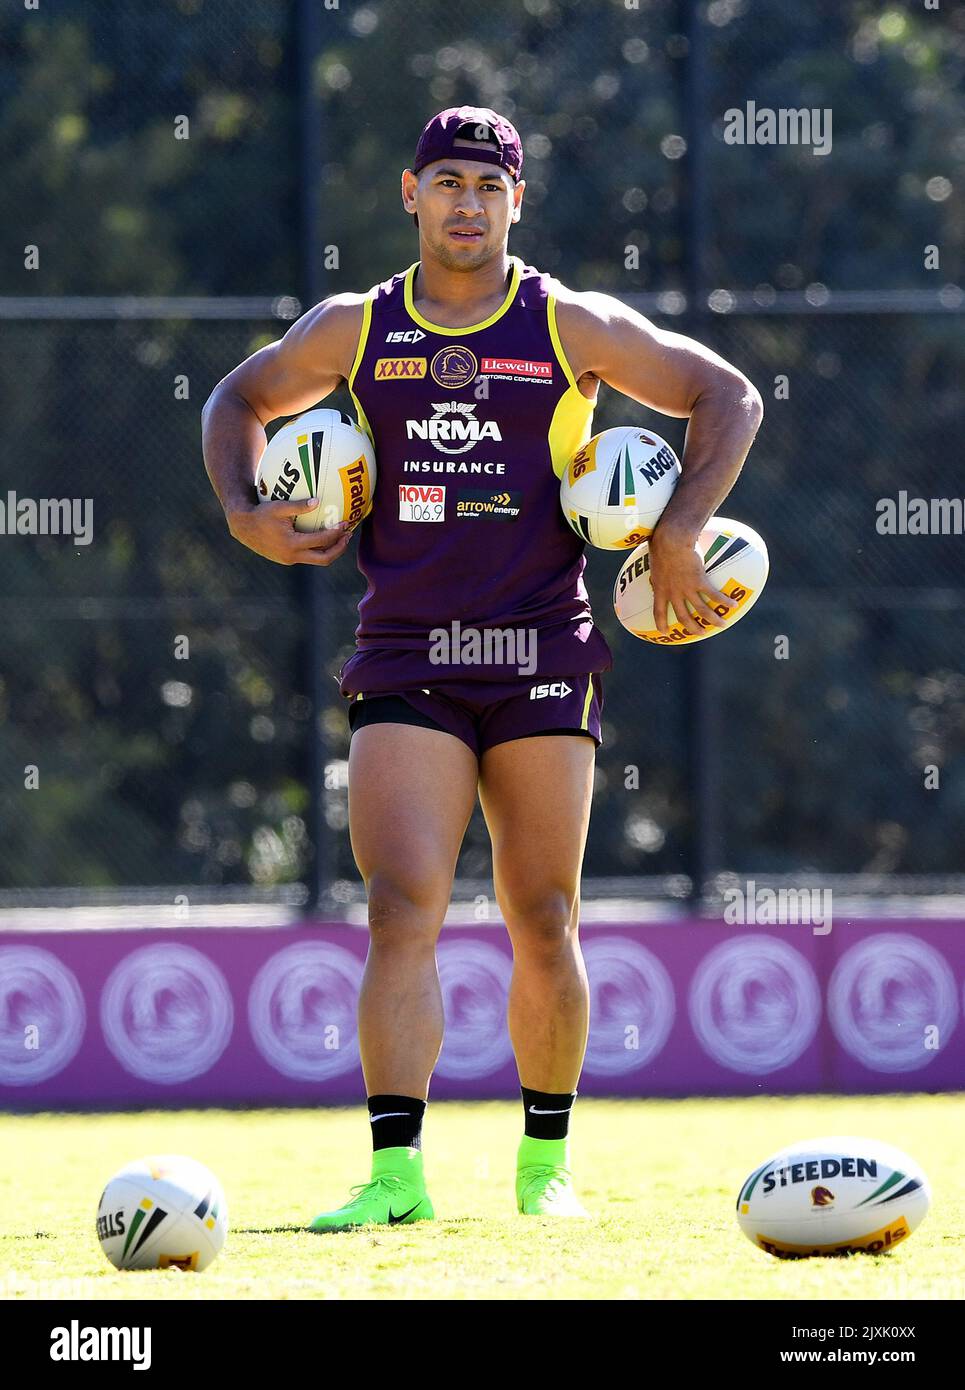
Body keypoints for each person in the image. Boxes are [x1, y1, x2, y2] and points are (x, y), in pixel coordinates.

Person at [201, 105, 763, 1229]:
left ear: (517, 202)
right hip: (406, 650)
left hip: (541, 650)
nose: (468, 202)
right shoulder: (354, 328)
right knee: (400, 905)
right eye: (447, 181)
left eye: (488, 186)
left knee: (541, 912)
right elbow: (237, 399)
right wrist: (242, 509)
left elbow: (727, 395)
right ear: (409, 195)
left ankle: (543, 1168)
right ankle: (395, 1176)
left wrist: (677, 526)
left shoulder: (568, 324)